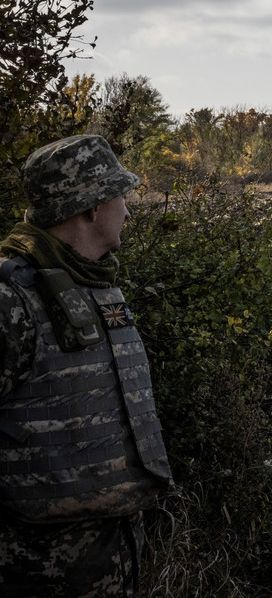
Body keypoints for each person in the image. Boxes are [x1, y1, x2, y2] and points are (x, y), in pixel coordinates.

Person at [0, 134, 173, 595]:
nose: (128, 211)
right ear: (92, 207)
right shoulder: (10, 299)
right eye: (122, 197)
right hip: (32, 566)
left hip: (110, 551)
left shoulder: (90, 283)